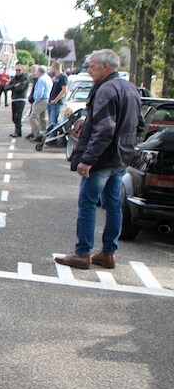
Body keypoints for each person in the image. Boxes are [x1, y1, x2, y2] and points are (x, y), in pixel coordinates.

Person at [55, 49, 142, 270]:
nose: (89, 70)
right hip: (122, 157)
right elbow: (138, 124)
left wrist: (87, 159)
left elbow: (105, 130)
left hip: (103, 159)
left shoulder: (106, 89)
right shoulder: (131, 89)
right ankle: (108, 253)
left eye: (93, 66)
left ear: (106, 66)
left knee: (87, 203)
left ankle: (82, 253)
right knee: (113, 204)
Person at [27, 64, 52, 141]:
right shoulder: (48, 78)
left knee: (32, 117)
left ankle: (37, 134)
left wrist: (36, 100)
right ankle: (43, 133)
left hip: (41, 100)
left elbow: (40, 91)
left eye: (37, 70)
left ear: (40, 71)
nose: (36, 72)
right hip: (47, 99)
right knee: (42, 118)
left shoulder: (41, 79)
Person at [4, 63, 30, 137]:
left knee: (18, 116)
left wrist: (13, 87)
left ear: (23, 70)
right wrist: (13, 86)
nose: (17, 71)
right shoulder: (14, 78)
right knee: (13, 117)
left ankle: (17, 131)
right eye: (16, 70)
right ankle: (18, 131)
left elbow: (20, 88)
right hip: (14, 99)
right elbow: (6, 87)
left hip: (21, 99)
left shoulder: (25, 78)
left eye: (19, 70)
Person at [48, 60, 68, 132]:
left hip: (57, 103)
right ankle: (51, 137)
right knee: (51, 122)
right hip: (52, 101)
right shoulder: (57, 77)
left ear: (54, 67)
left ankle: (53, 139)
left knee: (54, 122)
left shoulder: (63, 77)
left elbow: (64, 90)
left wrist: (56, 100)